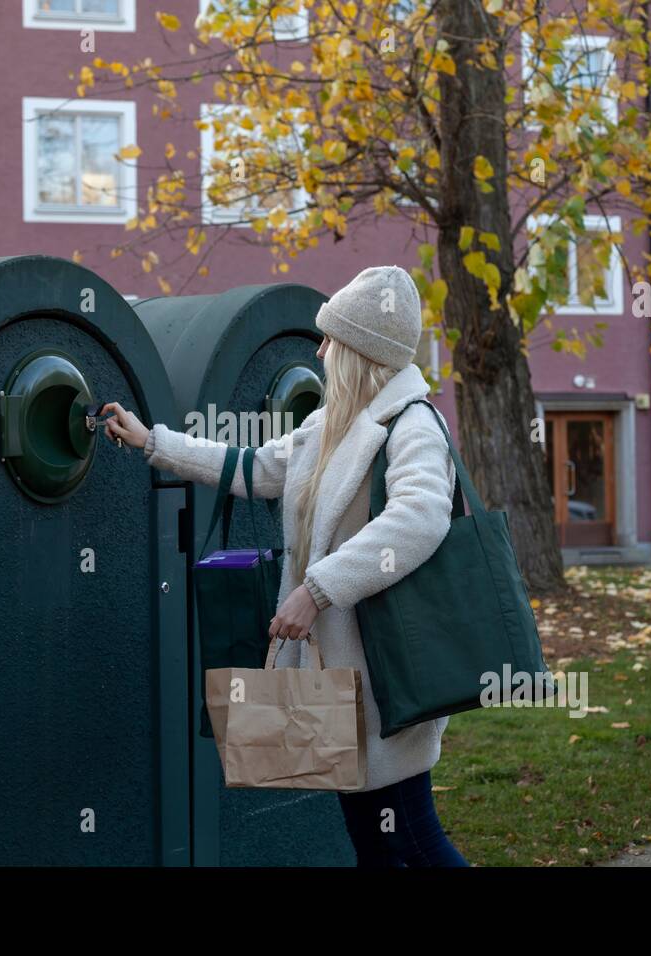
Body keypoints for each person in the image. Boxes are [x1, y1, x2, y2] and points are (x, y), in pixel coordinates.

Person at [101, 265, 469, 867]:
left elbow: (420, 520)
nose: (319, 349)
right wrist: (152, 442)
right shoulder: (331, 425)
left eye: (330, 339)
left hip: (386, 668)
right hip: (344, 671)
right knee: (375, 842)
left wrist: (317, 590)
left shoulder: (411, 422)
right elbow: (253, 468)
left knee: (413, 837)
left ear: (358, 351)